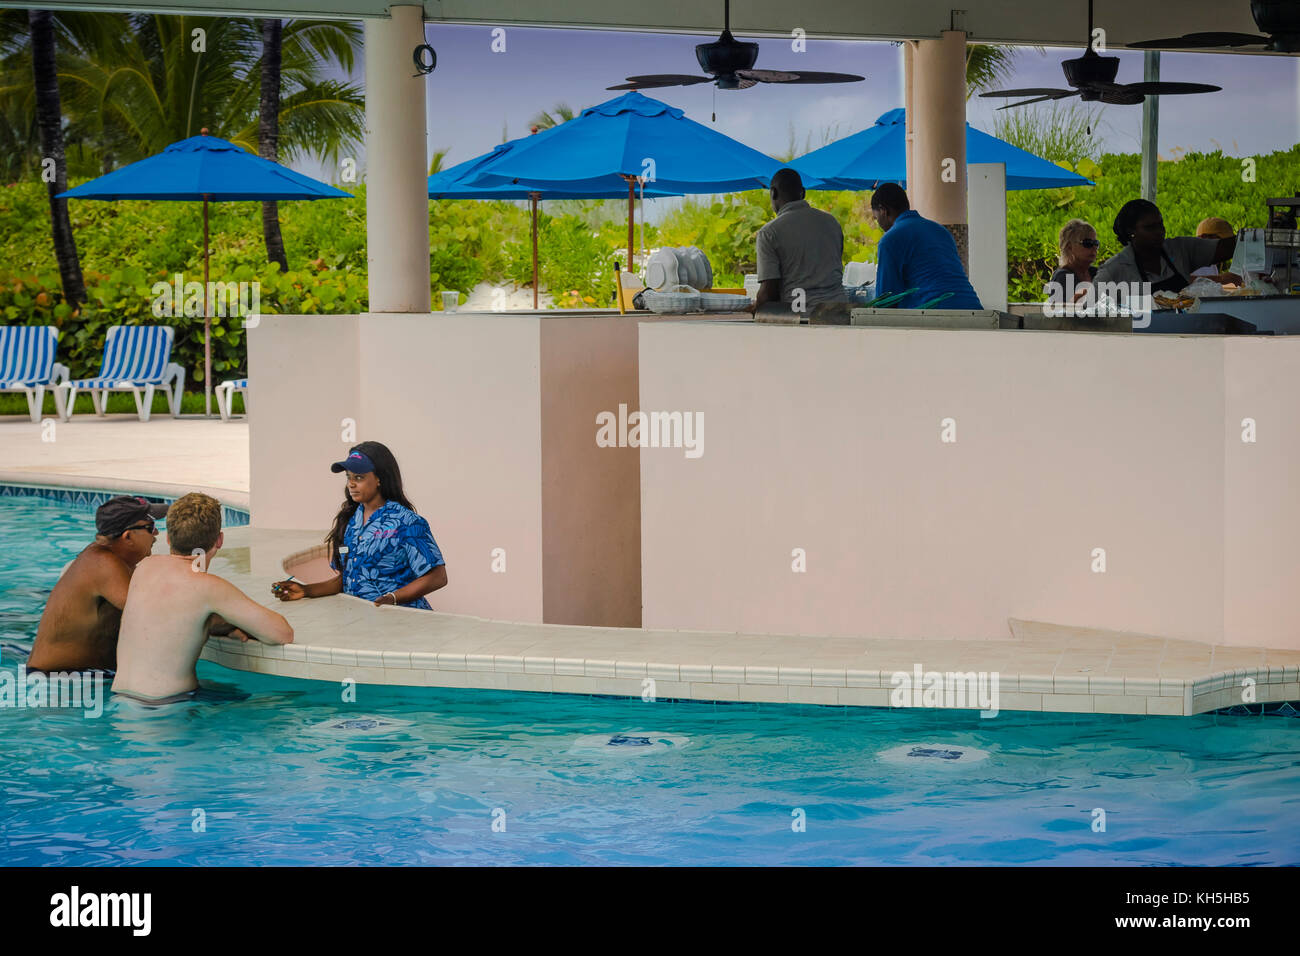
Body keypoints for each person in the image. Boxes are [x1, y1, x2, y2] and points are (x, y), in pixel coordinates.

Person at [112, 493, 293, 703]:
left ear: (169, 538)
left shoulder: (144, 568)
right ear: (219, 540)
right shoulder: (209, 586)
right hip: (166, 710)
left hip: (121, 700)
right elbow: (281, 634)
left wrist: (216, 623)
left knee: (227, 692)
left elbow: (171, 614)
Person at [271, 442, 448, 610]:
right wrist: (306, 590)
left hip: (403, 621)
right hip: (363, 620)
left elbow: (438, 577)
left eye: (359, 477)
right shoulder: (350, 520)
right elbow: (348, 579)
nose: (351, 484)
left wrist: (393, 598)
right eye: (348, 477)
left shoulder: (407, 522)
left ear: (380, 479)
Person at [26, 495, 168, 674]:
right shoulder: (103, 563)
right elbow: (152, 612)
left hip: (75, 677)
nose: (156, 534)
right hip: (61, 682)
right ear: (128, 536)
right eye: (150, 527)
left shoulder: (106, 558)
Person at [747, 168, 847, 316]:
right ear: (803, 193)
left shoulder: (769, 232)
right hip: (841, 313)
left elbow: (769, 292)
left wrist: (753, 309)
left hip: (801, 317)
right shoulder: (832, 222)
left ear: (773, 193)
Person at [870, 183, 983, 310]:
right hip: (973, 308)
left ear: (883, 211)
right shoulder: (941, 231)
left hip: (935, 312)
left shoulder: (890, 239)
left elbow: (886, 301)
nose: (878, 223)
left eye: (876, 217)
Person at [1094, 199, 1236, 295]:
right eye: (1150, 228)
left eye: (1160, 224)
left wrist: (1253, 237)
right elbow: (1089, 316)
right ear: (1131, 232)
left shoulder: (1180, 249)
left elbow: (1226, 248)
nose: (1159, 231)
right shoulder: (1113, 270)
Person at [1046, 219, 1100, 304]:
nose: (1094, 248)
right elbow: (1060, 314)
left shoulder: (1096, 273)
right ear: (1069, 247)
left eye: (1096, 243)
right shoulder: (1062, 277)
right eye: (1087, 243)